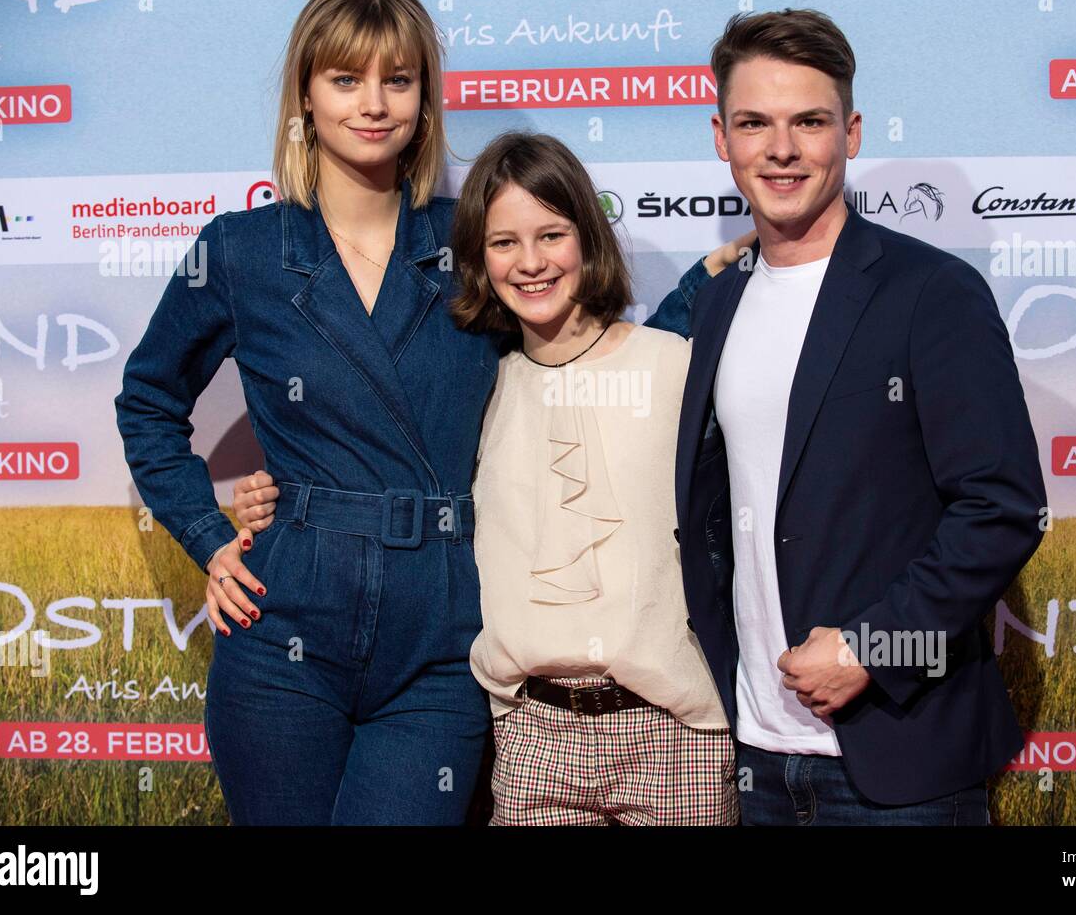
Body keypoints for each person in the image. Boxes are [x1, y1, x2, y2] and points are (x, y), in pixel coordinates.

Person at [115, 0, 742, 825]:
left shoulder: (469, 241)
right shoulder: (241, 250)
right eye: (345, 79)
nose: (373, 103)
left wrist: (695, 298)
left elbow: (574, 344)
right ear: (306, 90)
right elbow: (148, 400)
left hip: (441, 637)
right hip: (286, 625)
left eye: (398, 80)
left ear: (423, 96)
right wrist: (204, 531)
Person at [239, 131, 741, 825]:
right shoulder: (480, 386)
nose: (530, 262)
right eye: (504, 242)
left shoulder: (675, 367)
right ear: (476, 258)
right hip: (532, 739)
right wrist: (278, 495)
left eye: (552, 235)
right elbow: (379, 459)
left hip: (673, 739)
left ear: (588, 238)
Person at [674, 9, 1047, 825]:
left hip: (898, 764)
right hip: (755, 760)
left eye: (809, 121)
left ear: (851, 130)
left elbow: (1004, 505)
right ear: (720, 136)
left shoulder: (930, 293)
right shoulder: (719, 304)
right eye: (754, 123)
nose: (781, 148)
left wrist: (871, 649)